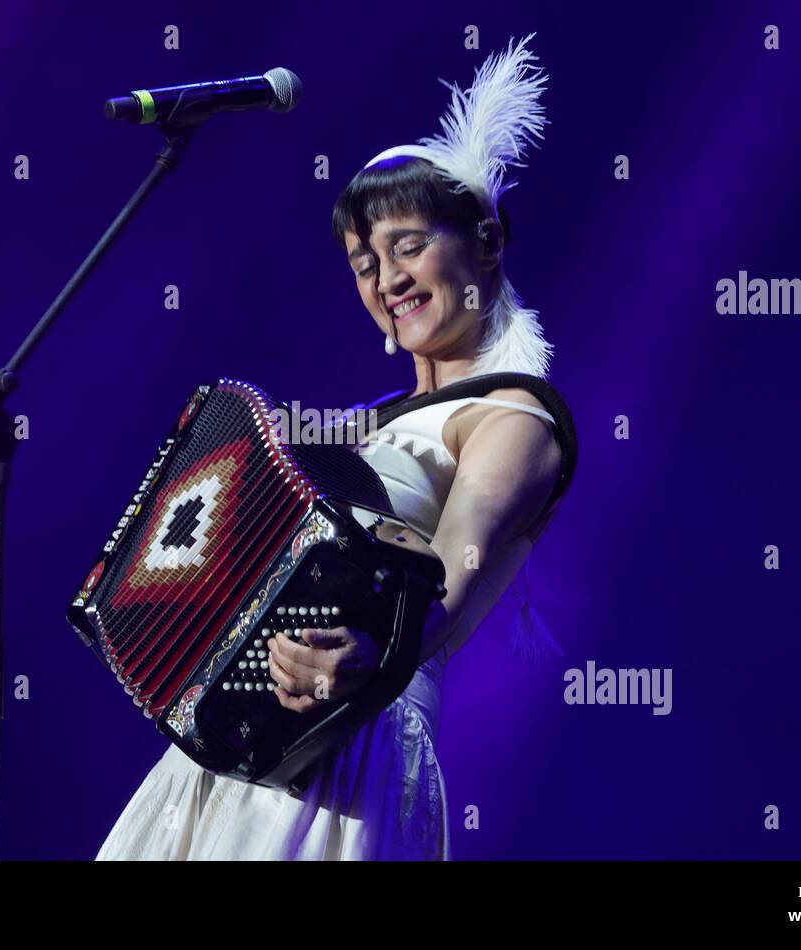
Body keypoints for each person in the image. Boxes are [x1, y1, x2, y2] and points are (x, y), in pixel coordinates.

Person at [95, 32, 572, 860]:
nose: (385, 279)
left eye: (408, 245)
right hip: (229, 743)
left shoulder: (514, 421)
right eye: (363, 262)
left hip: (345, 749)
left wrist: (371, 660)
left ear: (486, 245)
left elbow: (447, 581)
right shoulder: (362, 420)